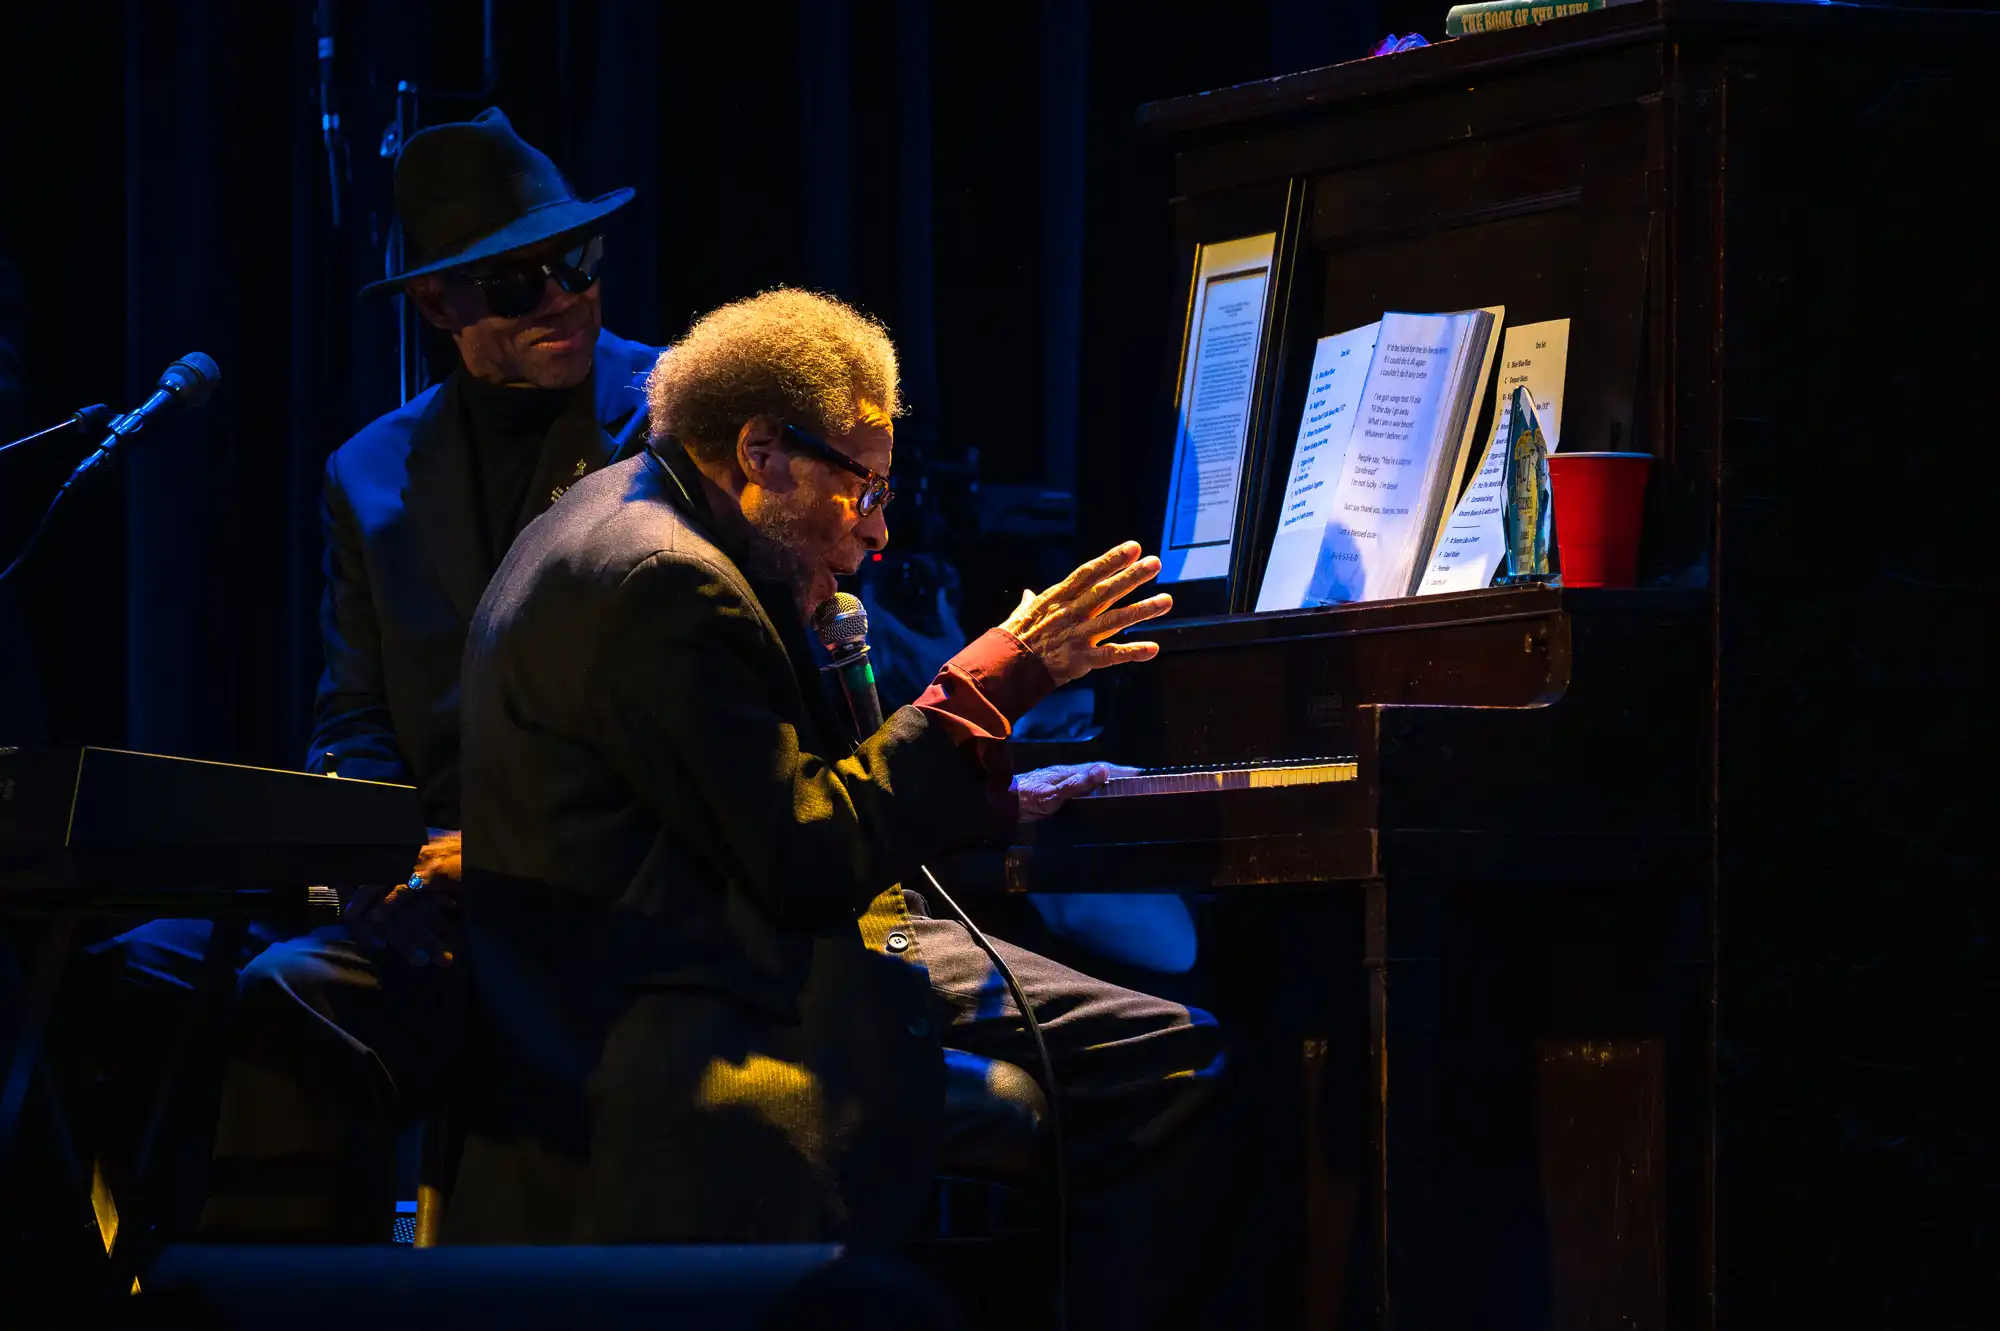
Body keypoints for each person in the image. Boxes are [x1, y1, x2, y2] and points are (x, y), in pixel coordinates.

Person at [449, 289, 1221, 1330]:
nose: (880, 530)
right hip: (696, 995)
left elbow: (766, 793)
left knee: (1146, 1037)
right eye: (864, 490)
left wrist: (992, 801)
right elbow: (806, 850)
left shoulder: (634, 519)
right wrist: (991, 679)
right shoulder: (665, 579)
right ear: (762, 450)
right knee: (1172, 1058)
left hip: (714, 941)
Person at [183, 108, 663, 1239]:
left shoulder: (674, 422)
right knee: (143, 975)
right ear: (437, 303)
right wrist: (374, 873)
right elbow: (351, 714)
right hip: (431, 900)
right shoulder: (371, 474)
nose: (561, 296)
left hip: (613, 887)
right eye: (515, 282)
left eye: (576, 262)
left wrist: (494, 856)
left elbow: (693, 712)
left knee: (282, 990)